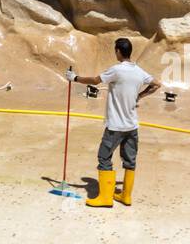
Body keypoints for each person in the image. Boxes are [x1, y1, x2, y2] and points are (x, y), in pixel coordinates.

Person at [68, 38, 160, 208]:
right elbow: (156, 84)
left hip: (115, 126)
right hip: (132, 126)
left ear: (118, 51)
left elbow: (96, 81)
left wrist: (75, 78)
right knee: (130, 161)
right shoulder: (139, 71)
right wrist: (140, 96)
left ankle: (105, 198)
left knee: (104, 157)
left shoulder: (117, 70)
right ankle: (126, 196)